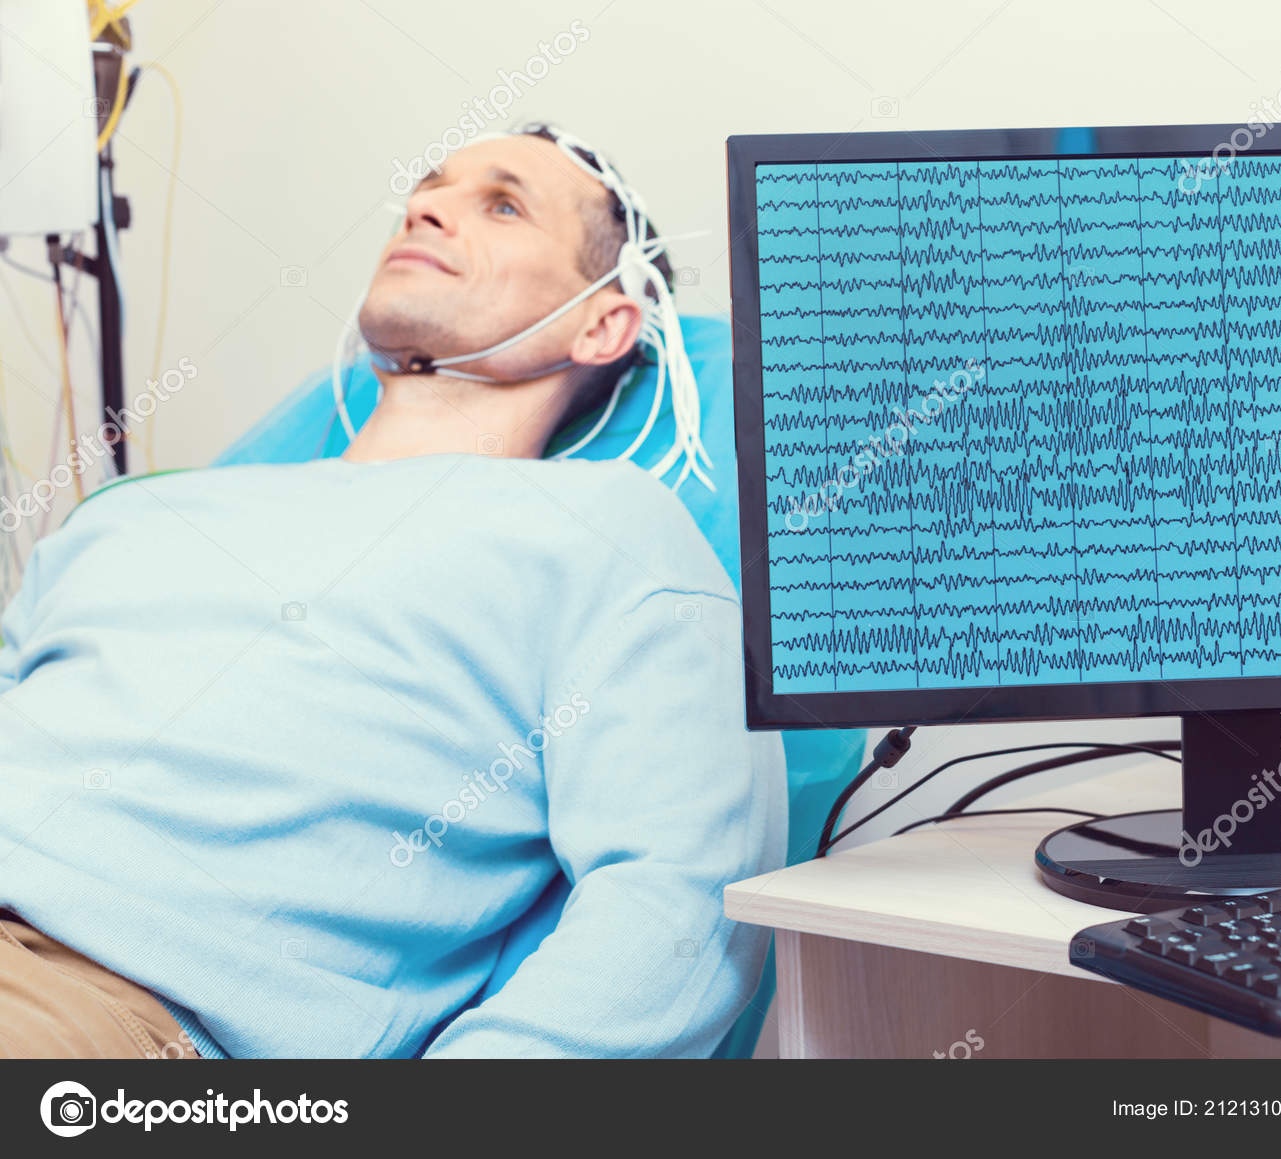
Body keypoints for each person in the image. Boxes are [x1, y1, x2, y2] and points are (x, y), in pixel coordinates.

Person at [0, 125, 785, 1058]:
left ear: (602, 322)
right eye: (429, 187)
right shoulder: (129, 518)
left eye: (502, 204)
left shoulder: (612, 531)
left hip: (91, 998)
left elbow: (686, 903)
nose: (425, 206)